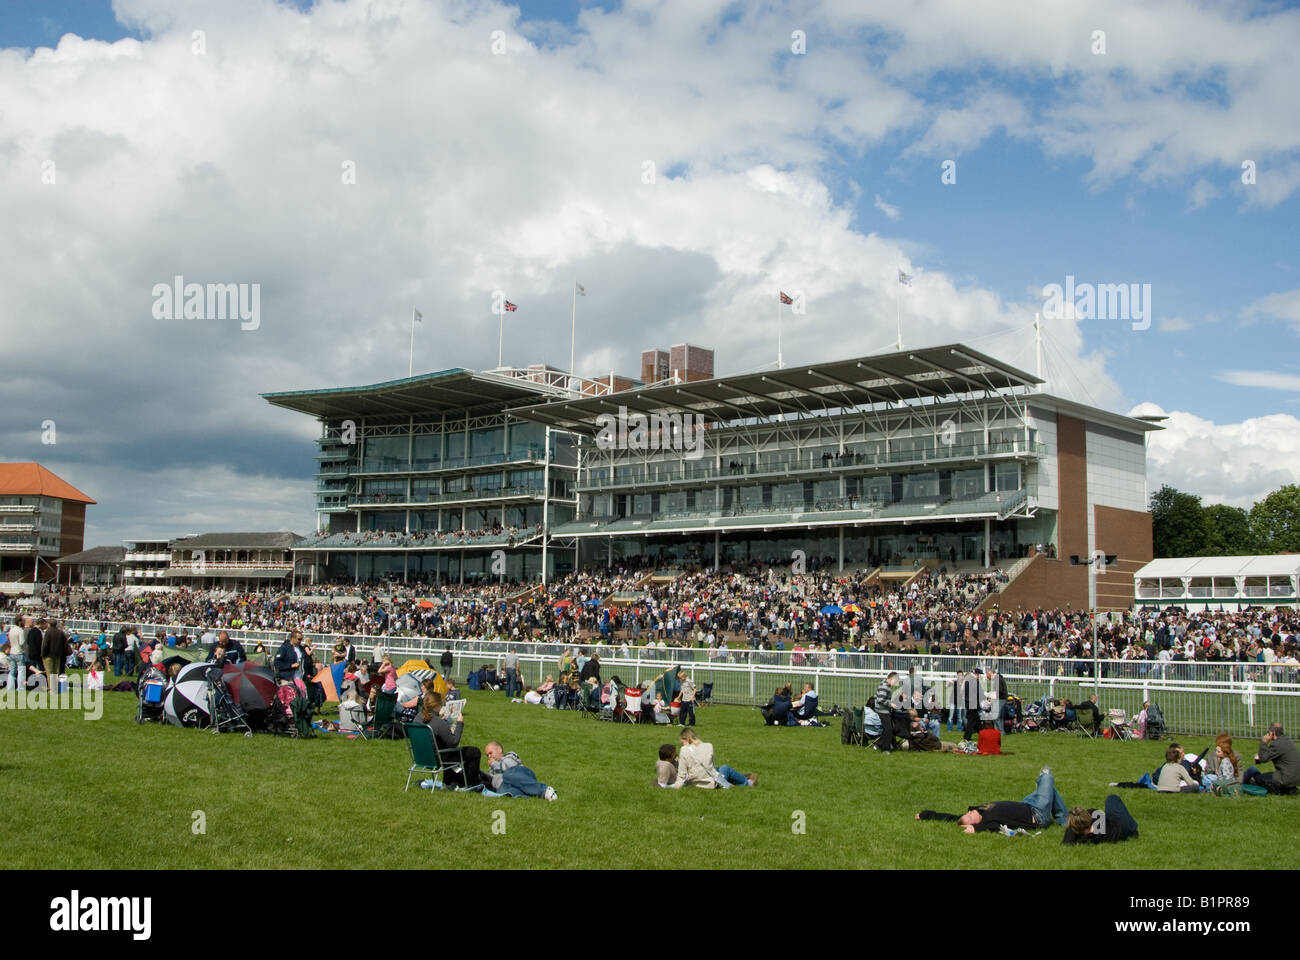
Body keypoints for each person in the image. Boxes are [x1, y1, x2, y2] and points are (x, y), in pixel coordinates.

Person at [915, 766, 1068, 833]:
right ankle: (1044, 776)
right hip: (1037, 814)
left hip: (1026, 803)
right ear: (976, 823)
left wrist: (926, 814)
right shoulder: (988, 821)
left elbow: (948, 817)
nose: (970, 813)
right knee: (1046, 779)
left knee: (1049, 791)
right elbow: (992, 827)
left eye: (967, 814)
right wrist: (975, 829)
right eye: (970, 817)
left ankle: (1063, 820)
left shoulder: (979, 812)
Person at [418, 690, 487, 791]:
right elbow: (453, 743)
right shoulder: (438, 723)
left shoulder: (417, 718)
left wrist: (444, 721)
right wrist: (459, 724)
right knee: (474, 752)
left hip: (421, 756)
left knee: (446, 749)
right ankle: (471, 783)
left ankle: (448, 781)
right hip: (438, 759)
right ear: (437, 705)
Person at [665, 728, 756, 789]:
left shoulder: (684, 750)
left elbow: (682, 775)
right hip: (710, 782)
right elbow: (712, 769)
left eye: (682, 742)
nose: (682, 744)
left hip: (694, 783)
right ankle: (747, 782)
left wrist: (673, 786)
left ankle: (740, 780)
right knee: (724, 768)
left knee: (720, 769)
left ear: (687, 739)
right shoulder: (708, 746)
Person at [482, 741, 557, 800]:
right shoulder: (492, 769)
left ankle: (544, 790)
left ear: (499, 749)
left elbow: (511, 769)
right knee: (502, 791)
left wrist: (494, 764)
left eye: (490, 753)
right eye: (487, 755)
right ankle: (534, 794)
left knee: (508, 774)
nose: (489, 756)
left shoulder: (510, 756)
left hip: (522, 776)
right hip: (508, 785)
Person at [1243, 723, 1300, 794]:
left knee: (1258, 778)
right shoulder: (1287, 740)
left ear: (1272, 733)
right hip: (1295, 778)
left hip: (1286, 778)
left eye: (1268, 732)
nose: (1267, 734)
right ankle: (1290, 789)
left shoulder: (1277, 744)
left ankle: (1283, 790)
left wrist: (1264, 742)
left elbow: (1263, 759)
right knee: (1266, 776)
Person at [1063, 795, 1139, 845]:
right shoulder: (1091, 836)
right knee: (1112, 799)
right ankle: (1132, 830)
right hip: (1122, 830)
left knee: (1111, 798)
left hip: (1117, 824)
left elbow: (1069, 841)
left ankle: (1132, 828)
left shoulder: (1097, 817)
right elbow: (1067, 843)